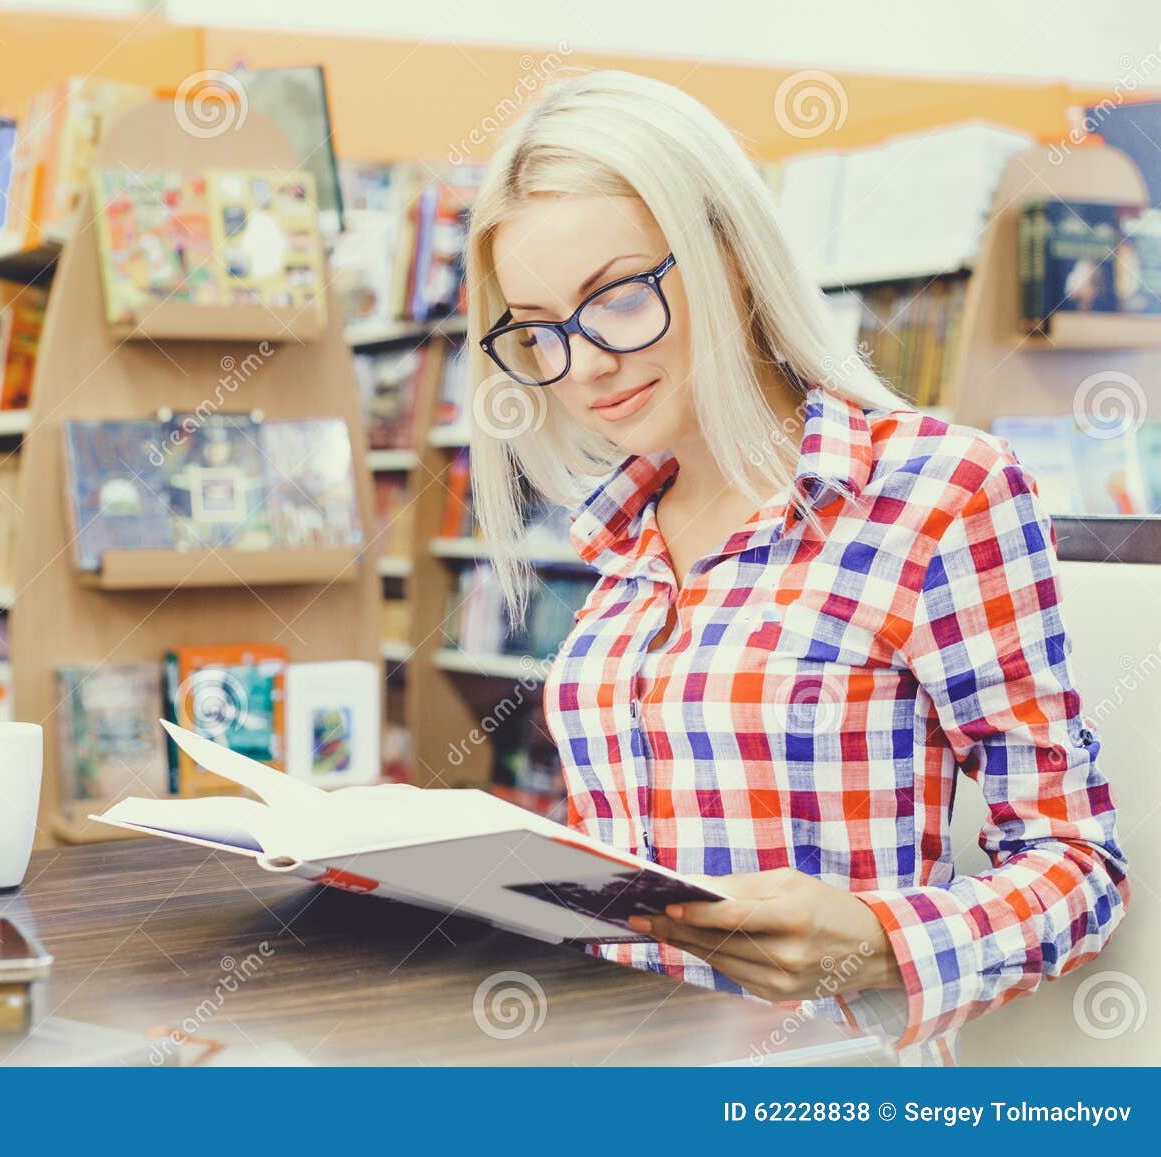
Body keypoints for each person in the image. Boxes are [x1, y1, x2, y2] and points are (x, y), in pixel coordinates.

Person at [463, 69, 1128, 1064]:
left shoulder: (937, 495)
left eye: (613, 297)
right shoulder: (621, 534)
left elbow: (1078, 868)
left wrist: (875, 942)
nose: (586, 360)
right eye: (541, 329)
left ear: (729, 257)